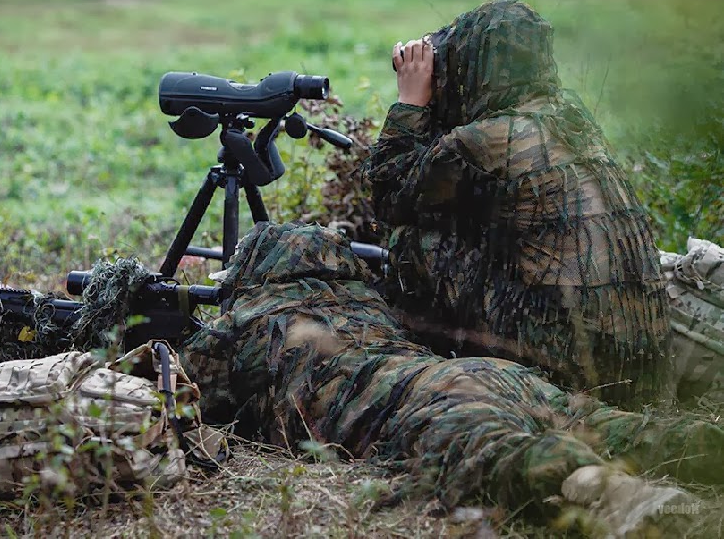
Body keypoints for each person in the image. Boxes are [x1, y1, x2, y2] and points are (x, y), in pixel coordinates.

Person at [183, 222, 722, 536]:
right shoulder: (371, 301)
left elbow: (188, 394)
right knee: (613, 426)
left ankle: (630, 497)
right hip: (481, 375)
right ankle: (703, 448)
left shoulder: (245, 325)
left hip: (418, 402)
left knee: (513, 458)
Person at [362, 0, 670, 409]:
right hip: (635, 366)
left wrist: (411, 102)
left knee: (416, 240)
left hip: (568, 366)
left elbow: (388, 194)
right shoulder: (571, 117)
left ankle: (443, 354)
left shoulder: (485, 140)